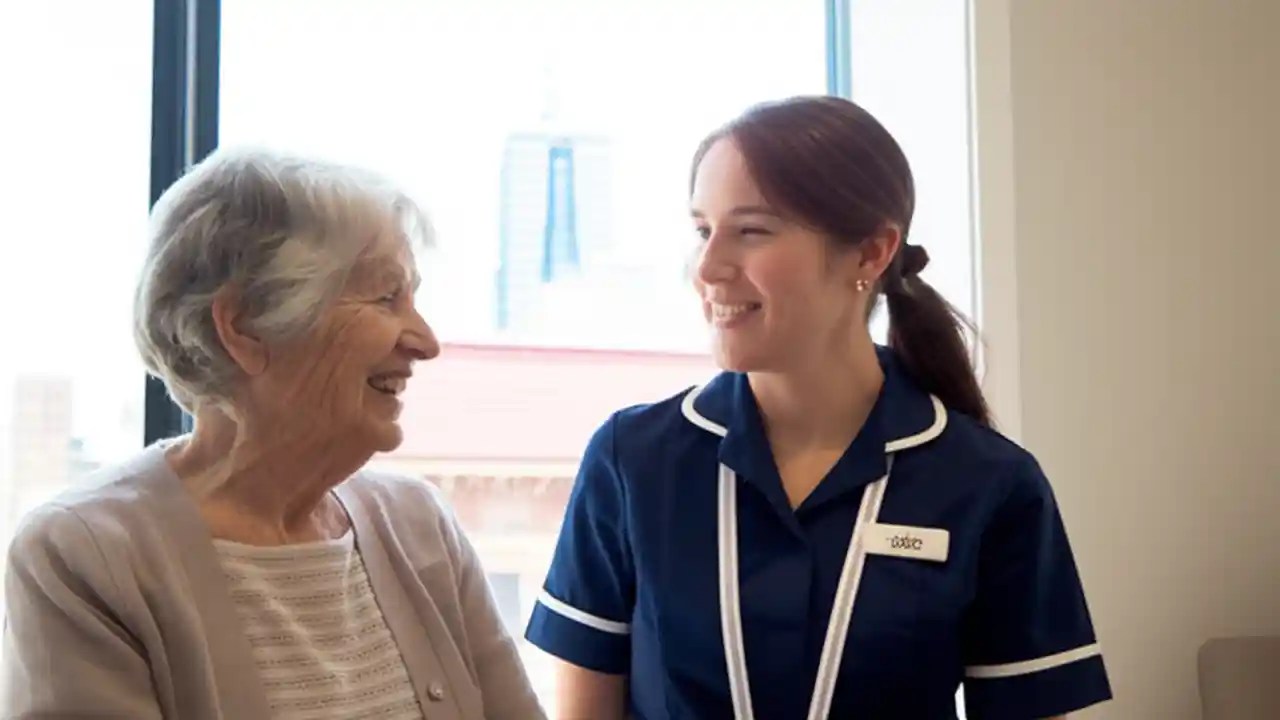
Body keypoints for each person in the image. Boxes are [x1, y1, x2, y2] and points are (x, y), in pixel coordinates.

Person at [525, 96, 1113, 719]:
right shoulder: (632, 460)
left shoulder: (990, 484)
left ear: (870, 253)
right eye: (703, 230)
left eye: (751, 230)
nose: (708, 266)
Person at [2, 149, 545, 720]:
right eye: (387, 298)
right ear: (242, 327)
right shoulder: (84, 555)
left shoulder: (419, 526)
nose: (426, 341)